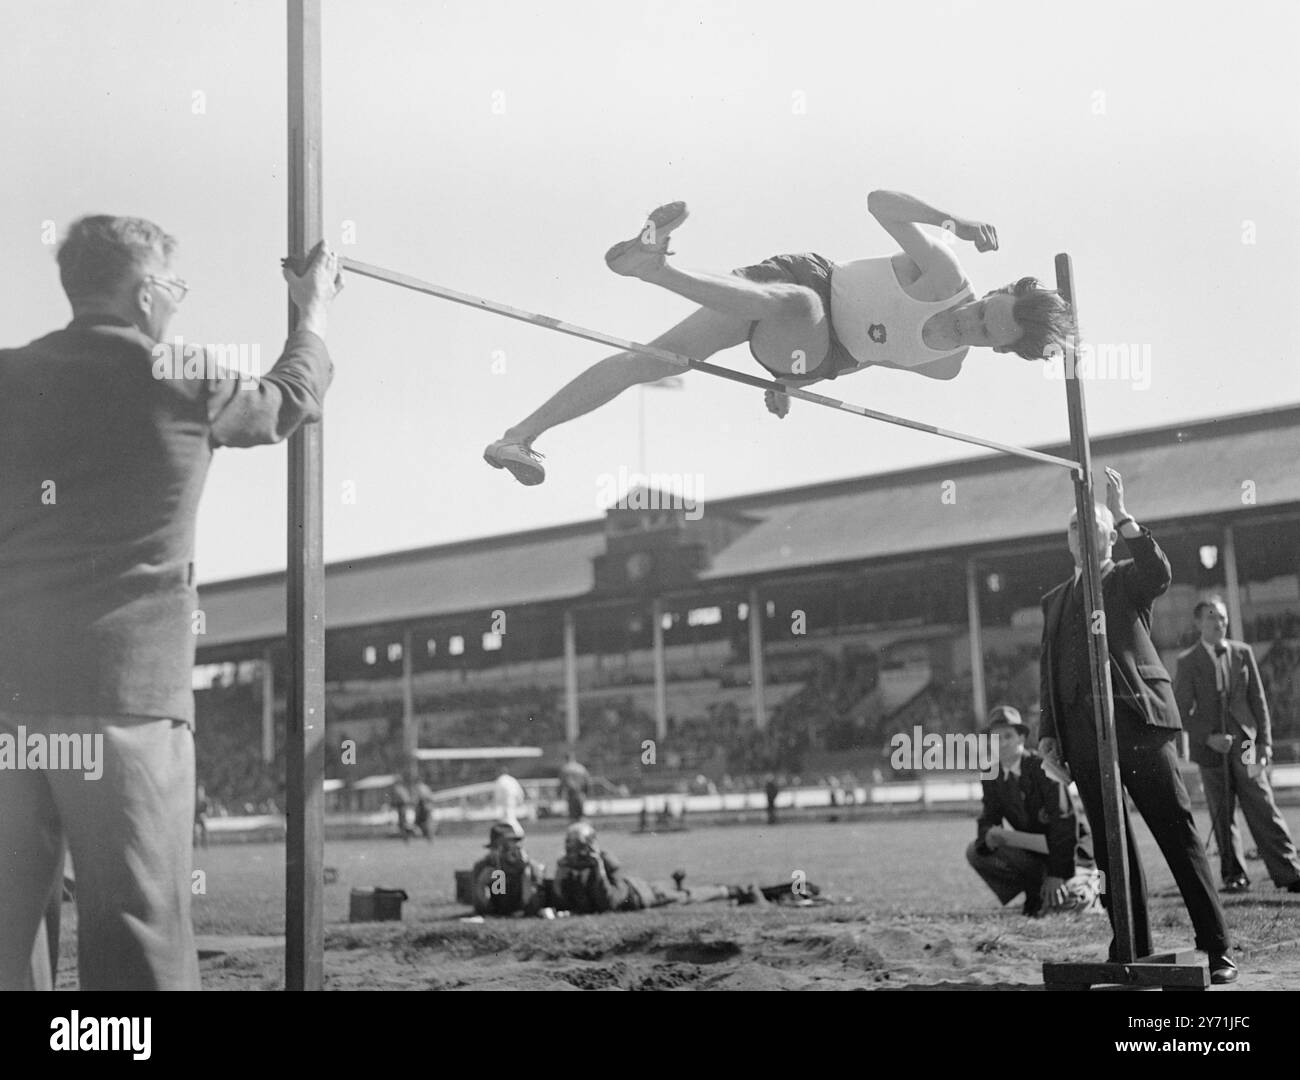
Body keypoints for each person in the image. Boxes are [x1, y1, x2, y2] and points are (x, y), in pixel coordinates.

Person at [0, 216, 340, 991]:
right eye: (175, 289)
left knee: (8, 928)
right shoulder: (182, 375)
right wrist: (312, 307)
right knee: (136, 926)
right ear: (146, 290)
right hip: (124, 695)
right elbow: (290, 398)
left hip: (9, 696)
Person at [485, 191, 1072, 485]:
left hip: (812, 349)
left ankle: (656, 268)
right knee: (655, 360)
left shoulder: (944, 366)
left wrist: (793, 380)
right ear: (997, 291)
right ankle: (517, 438)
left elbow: (866, 356)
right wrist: (957, 222)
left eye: (984, 332)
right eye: (987, 310)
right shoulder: (944, 273)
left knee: (799, 309)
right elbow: (878, 203)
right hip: (800, 278)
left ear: (997, 347)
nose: (970, 321)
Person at [1036, 468, 1236, 984]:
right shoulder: (1055, 600)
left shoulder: (1126, 578)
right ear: (1068, 540)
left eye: (1096, 527)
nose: (1086, 535)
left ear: (1108, 535)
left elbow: (1160, 571)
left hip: (1140, 726)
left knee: (1177, 836)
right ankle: (1129, 946)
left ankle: (1216, 950)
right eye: (1077, 528)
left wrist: (1122, 513)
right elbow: (1049, 672)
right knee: (1110, 851)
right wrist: (1048, 735)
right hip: (1084, 741)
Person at [1173, 597, 1300, 894]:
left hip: (1247, 746)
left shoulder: (1243, 653)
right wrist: (1208, 737)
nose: (1218, 624)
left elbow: (1258, 701)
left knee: (1263, 804)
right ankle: (1234, 875)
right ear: (1198, 623)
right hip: (1211, 751)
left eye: (1222, 618)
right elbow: (1181, 711)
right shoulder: (1187, 661)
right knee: (1222, 811)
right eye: (1211, 617)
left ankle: (1289, 870)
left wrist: (1265, 743)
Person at [966, 706, 1102, 917]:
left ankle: (1092, 884)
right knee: (976, 852)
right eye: (995, 739)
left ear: (1021, 738)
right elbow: (988, 817)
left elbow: (1064, 822)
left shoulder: (1043, 768)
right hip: (1036, 851)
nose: (1001, 744)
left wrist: (1058, 873)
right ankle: (1036, 891)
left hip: (1071, 851)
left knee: (1069, 901)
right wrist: (988, 836)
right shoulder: (991, 774)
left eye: (1007, 736)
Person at [552, 823, 781, 914]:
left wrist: (598, 869)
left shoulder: (605, 862)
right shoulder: (570, 867)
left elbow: (608, 903)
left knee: (685, 896)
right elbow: (564, 901)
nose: (576, 855)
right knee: (678, 891)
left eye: (580, 849)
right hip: (639, 890)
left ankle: (729, 891)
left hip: (641, 895)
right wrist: (561, 874)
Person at [468, 821, 548, 918]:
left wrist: (526, 875)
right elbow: (483, 910)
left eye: (515, 846)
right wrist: (481, 885)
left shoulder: (531, 868)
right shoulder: (483, 866)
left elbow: (531, 907)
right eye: (504, 847)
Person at [557, 752, 590, 821]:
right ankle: (582, 829)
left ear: (566, 759)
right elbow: (587, 781)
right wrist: (586, 793)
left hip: (571, 794)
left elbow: (562, 783)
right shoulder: (581, 768)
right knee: (581, 813)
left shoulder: (565, 769)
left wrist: (559, 793)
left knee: (573, 815)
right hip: (581, 793)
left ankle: (575, 829)